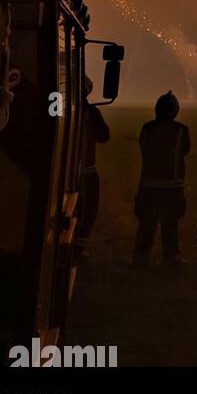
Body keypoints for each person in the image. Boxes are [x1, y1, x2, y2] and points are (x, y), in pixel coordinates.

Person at [132, 90, 190, 267]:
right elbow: (185, 151)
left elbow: (143, 148)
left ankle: (141, 259)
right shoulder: (181, 130)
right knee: (170, 225)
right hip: (172, 186)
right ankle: (171, 258)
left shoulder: (147, 128)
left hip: (148, 184)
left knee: (146, 225)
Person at [76, 75, 109, 259]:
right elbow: (104, 136)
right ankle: (77, 250)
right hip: (86, 172)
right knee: (88, 211)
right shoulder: (91, 113)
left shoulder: (62, 109)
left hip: (69, 172)